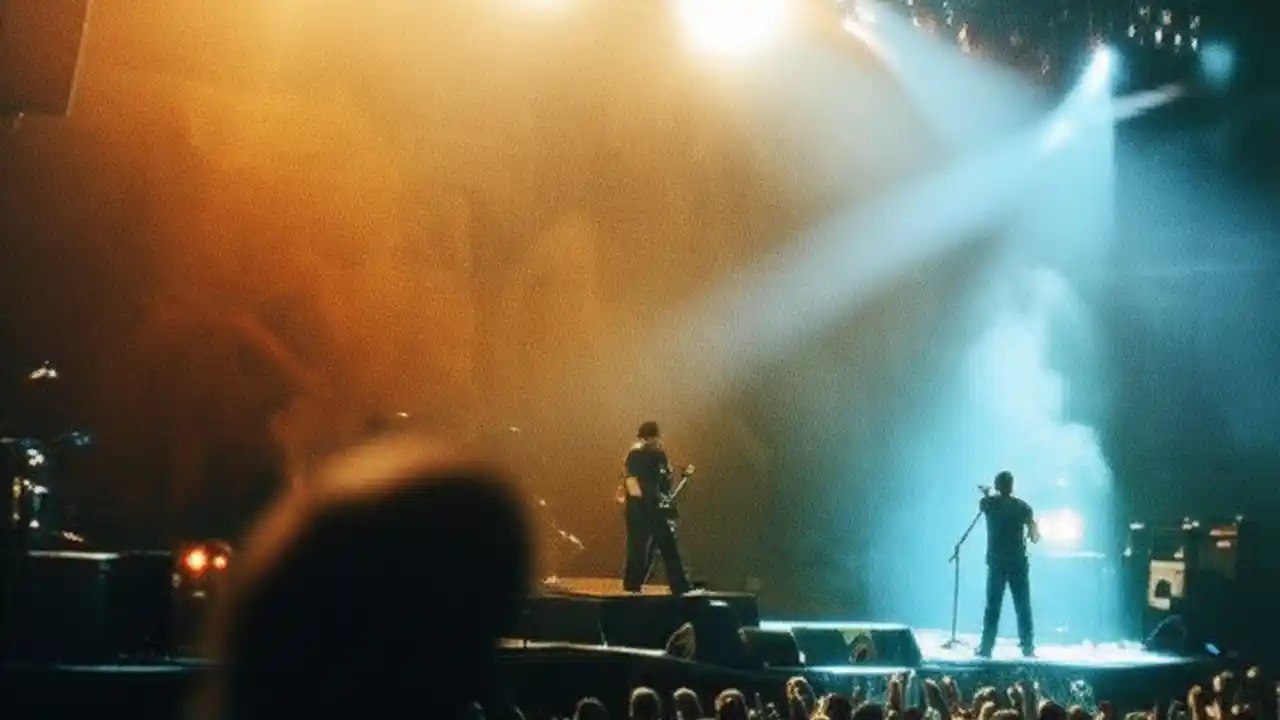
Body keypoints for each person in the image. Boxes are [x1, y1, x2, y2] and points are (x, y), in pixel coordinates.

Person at [620, 421, 690, 595]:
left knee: (649, 547)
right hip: (644, 510)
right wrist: (643, 502)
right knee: (653, 548)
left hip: (648, 509)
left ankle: (634, 584)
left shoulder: (653, 455)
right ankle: (677, 584)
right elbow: (632, 481)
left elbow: (661, 482)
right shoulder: (639, 454)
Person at [977, 470, 1039, 658]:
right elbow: (1035, 538)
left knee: (993, 606)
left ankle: (986, 647)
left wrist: (987, 493)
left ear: (997, 486)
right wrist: (1033, 528)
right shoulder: (1023, 507)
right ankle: (1027, 646)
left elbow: (984, 505)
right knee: (1022, 605)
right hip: (1017, 562)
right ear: (1012, 486)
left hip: (997, 563)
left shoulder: (989, 504)